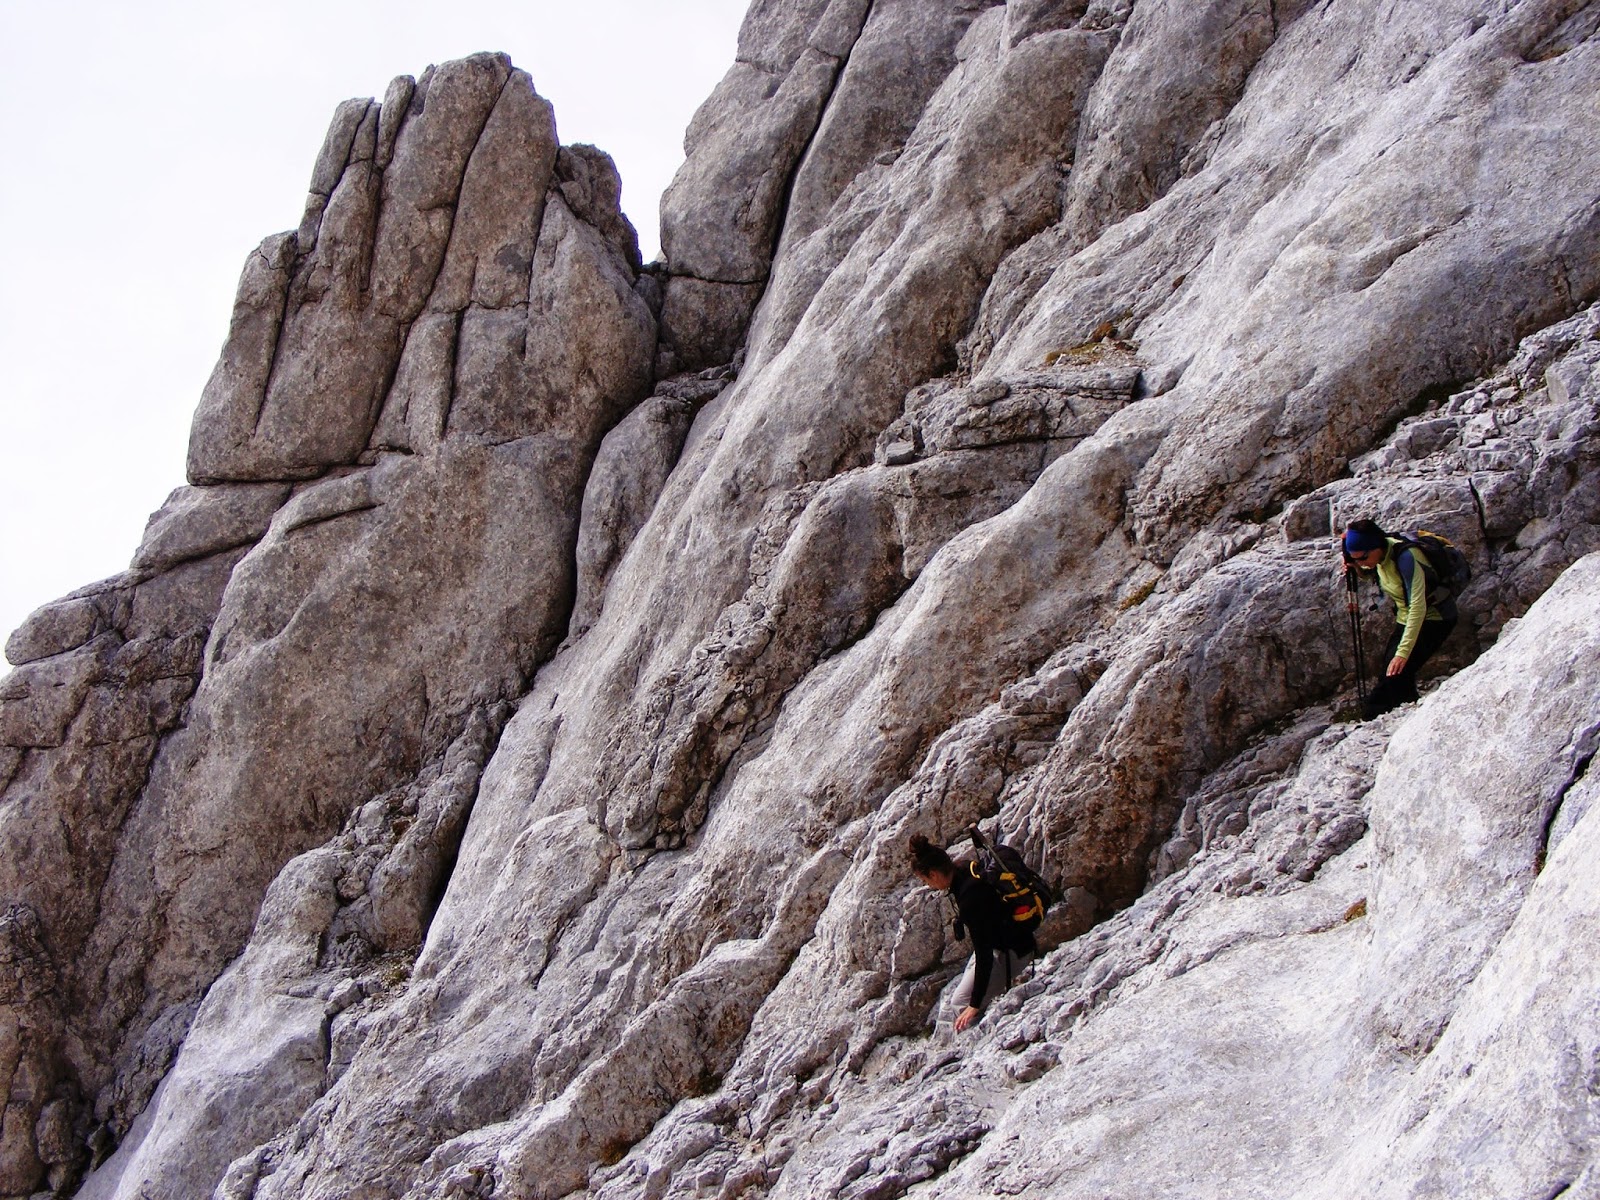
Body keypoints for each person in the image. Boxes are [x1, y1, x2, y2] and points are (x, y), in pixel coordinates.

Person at [908, 833, 1035, 1032]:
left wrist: (973, 1006)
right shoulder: (964, 868)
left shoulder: (970, 898)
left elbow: (984, 955)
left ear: (933, 874)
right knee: (960, 998)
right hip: (1006, 941)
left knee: (960, 1005)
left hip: (1012, 953)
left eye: (926, 881)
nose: (929, 886)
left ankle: (982, 1037)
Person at [1342, 519, 1458, 719]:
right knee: (1392, 674)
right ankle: (1411, 714)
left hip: (1434, 619)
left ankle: (1376, 717)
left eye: (1363, 558)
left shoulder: (1407, 558)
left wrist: (1402, 653)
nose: (1362, 563)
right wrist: (1357, 569)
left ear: (1375, 546)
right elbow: (1377, 574)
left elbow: (1418, 607)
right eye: (1356, 559)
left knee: (1396, 673)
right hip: (1406, 619)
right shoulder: (1380, 556)